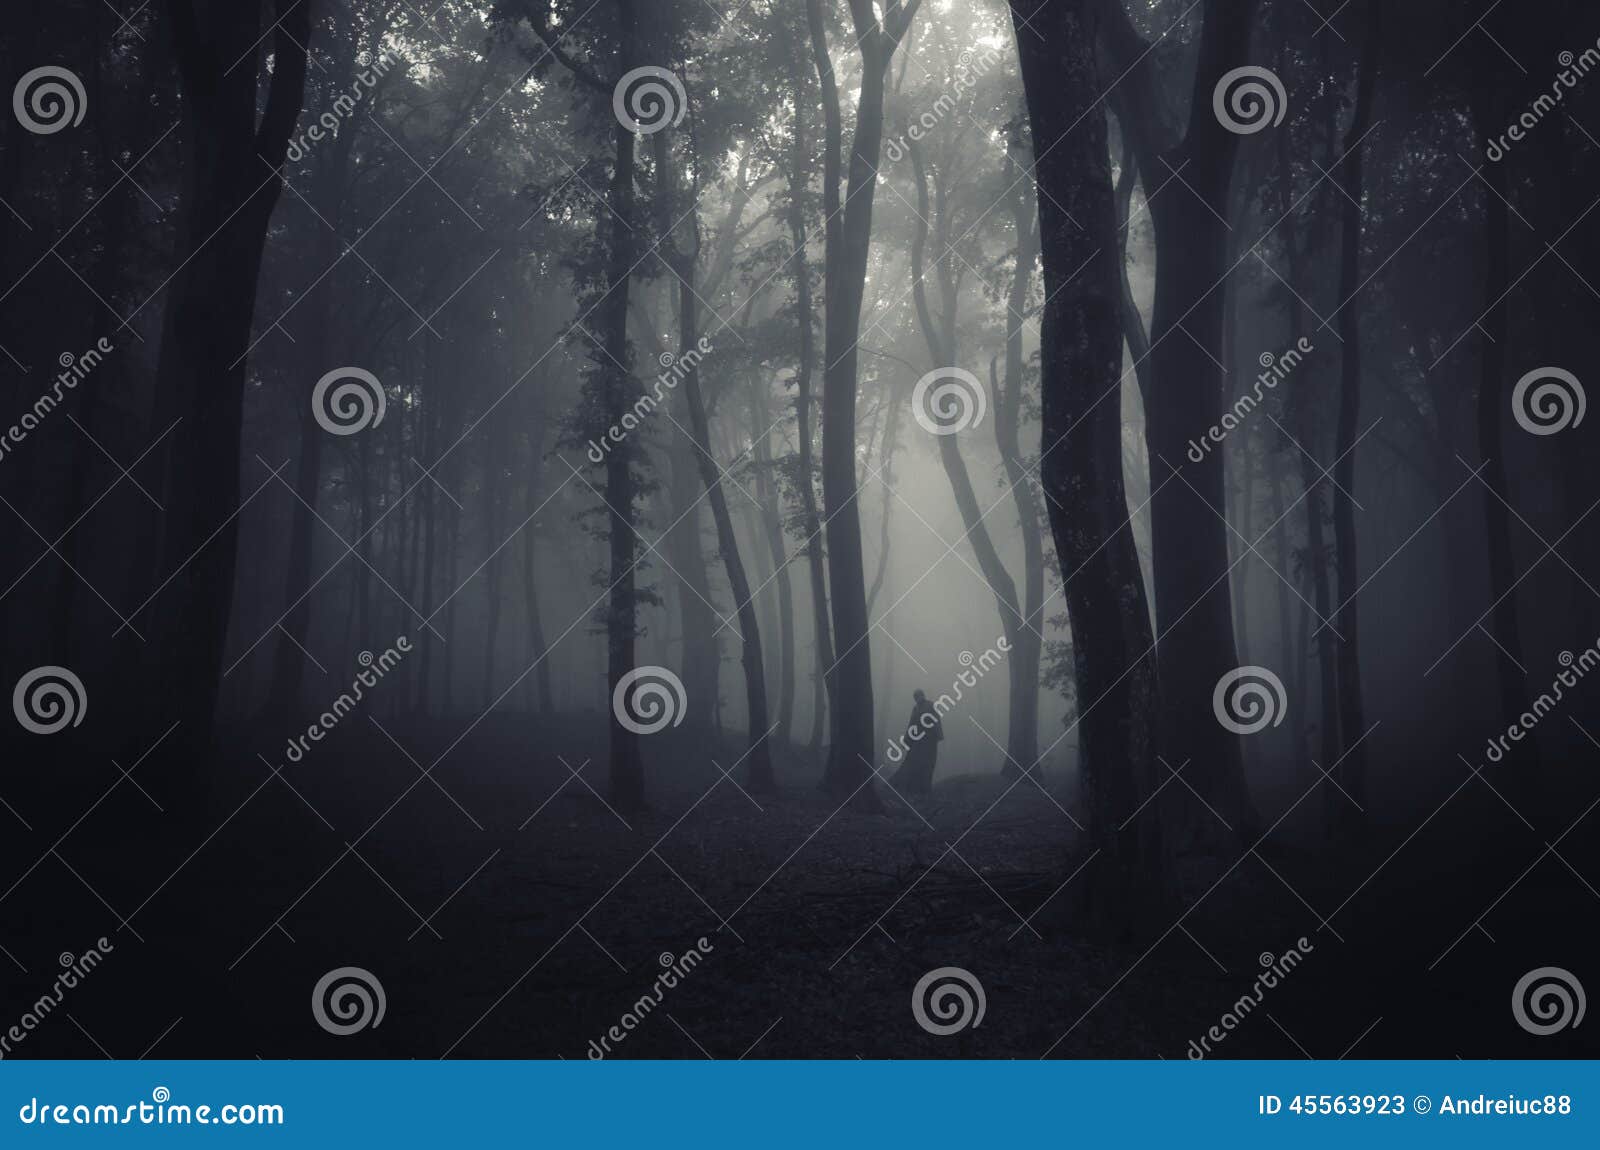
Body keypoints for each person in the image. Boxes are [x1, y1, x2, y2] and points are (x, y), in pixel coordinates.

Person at [889, 689, 943, 795]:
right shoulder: (915, 708)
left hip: (929, 741)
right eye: (916, 697)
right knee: (913, 763)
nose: (918, 698)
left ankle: (924, 789)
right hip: (917, 742)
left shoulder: (931, 705)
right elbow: (911, 725)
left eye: (919, 695)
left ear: (923, 695)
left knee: (928, 764)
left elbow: (936, 720)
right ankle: (912, 788)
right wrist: (906, 740)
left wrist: (938, 735)